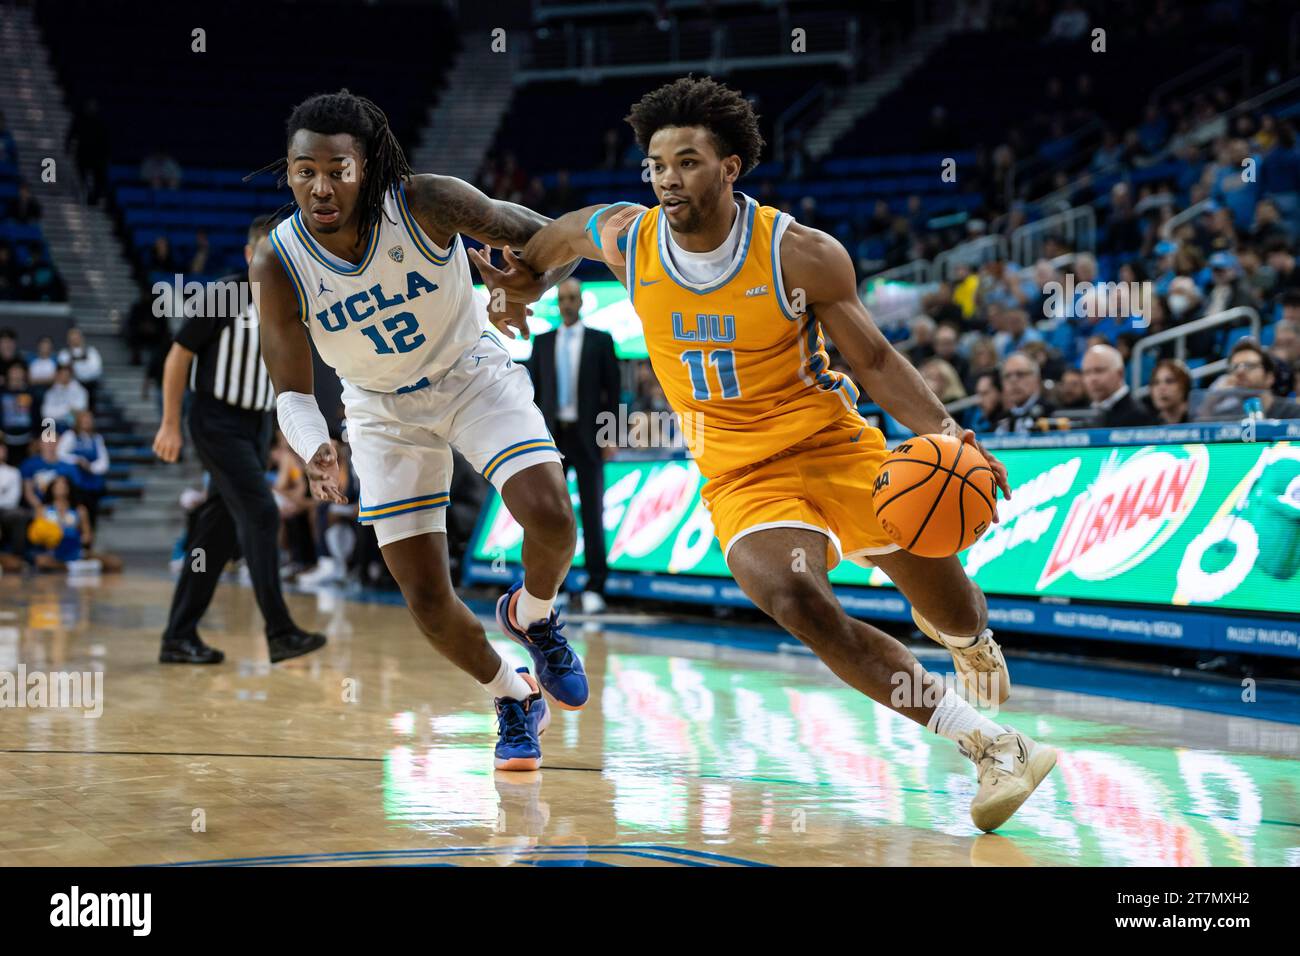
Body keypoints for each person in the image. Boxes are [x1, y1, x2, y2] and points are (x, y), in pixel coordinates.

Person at [475, 76, 1056, 831]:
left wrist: (945, 431)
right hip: (741, 475)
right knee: (798, 600)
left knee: (953, 603)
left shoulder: (800, 252)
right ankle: (991, 747)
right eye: (655, 164)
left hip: (833, 445)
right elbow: (555, 240)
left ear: (729, 168)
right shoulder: (629, 236)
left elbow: (875, 360)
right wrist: (523, 285)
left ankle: (969, 637)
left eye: (687, 161)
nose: (667, 179)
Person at [249, 90, 587, 771]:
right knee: (427, 597)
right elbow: (290, 385)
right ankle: (512, 696)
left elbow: (561, 240)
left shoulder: (428, 201)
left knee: (551, 516)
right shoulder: (279, 263)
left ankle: (536, 614)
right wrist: (314, 443)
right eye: (303, 169)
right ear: (287, 172)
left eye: (337, 169)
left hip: (469, 373)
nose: (320, 185)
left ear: (367, 167)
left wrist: (531, 286)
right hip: (379, 410)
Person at [153, 215, 326, 665]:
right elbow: (178, 357)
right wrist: (170, 423)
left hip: (257, 427)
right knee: (263, 513)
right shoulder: (224, 294)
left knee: (217, 532)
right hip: (215, 421)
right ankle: (280, 631)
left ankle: (178, 637)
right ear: (251, 255)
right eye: (269, 253)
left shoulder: (294, 304)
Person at [526, 277, 620, 614]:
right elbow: (531, 396)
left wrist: (610, 436)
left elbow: (613, 392)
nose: (567, 303)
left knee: (593, 512)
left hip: (589, 437)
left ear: (581, 302)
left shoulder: (601, 341)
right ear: (558, 303)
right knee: (552, 517)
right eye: (562, 298)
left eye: (572, 298)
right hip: (552, 439)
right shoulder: (542, 342)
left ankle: (596, 585)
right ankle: (557, 587)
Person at [30, 474, 122, 574]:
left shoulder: (80, 510)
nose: (61, 488)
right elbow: (36, 535)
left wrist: (74, 538)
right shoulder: (43, 510)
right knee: (41, 562)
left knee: (115, 563)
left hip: (75, 550)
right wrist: (52, 537)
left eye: (64, 485)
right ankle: (74, 567)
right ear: (51, 488)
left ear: (69, 488)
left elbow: (88, 535)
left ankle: (71, 566)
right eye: (57, 485)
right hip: (53, 551)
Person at [56, 409, 109, 531]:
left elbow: (104, 462)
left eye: (89, 419)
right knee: (78, 512)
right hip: (76, 484)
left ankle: (89, 542)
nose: (87, 422)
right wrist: (78, 460)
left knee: (92, 513)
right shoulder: (70, 436)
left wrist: (90, 467)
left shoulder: (97, 438)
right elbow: (60, 454)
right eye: (84, 419)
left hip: (92, 484)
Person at [1081, 344, 1155, 427]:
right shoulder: (1084, 414)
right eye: (1087, 372)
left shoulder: (1138, 415)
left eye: (1099, 371)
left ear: (1120, 373)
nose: (1092, 379)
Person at [995, 351, 1056, 433]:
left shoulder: (1052, 414)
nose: (1013, 380)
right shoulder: (1000, 421)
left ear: (1036, 378)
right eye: (1007, 376)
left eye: (1020, 374)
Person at [0, 441, 29, 572]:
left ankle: (18, 557)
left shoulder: (13, 472)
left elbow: (13, 499)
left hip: (7, 511)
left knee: (20, 515)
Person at [41, 364, 89, 429]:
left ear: (70, 375)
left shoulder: (80, 390)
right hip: (55, 426)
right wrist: (67, 409)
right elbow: (46, 413)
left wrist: (58, 412)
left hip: (74, 426)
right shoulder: (50, 392)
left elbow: (81, 408)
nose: (64, 376)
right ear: (57, 375)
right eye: (61, 374)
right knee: (47, 427)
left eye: (66, 374)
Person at [1149, 358, 1192, 425]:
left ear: (1184, 386)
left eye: (1169, 381)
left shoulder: (1200, 420)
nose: (1161, 388)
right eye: (1156, 382)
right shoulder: (1146, 423)